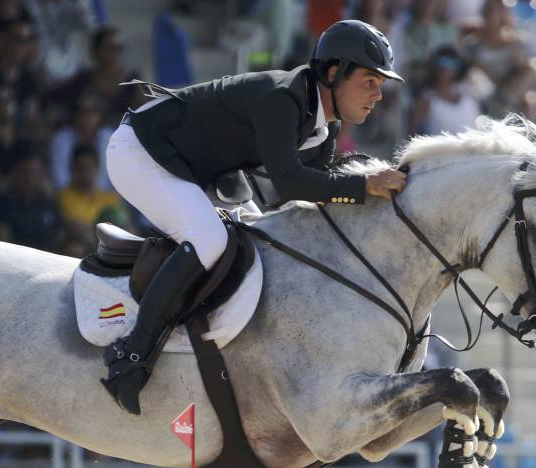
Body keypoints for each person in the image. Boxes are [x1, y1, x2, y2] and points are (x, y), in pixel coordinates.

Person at [100, 19, 406, 414]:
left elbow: (317, 194)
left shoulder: (323, 125)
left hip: (200, 169)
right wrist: (365, 186)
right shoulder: (283, 98)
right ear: (333, 73)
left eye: (380, 84)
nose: (378, 95)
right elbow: (291, 184)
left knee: (264, 243)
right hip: (143, 151)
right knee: (210, 239)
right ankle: (131, 355)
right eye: (370, 81)